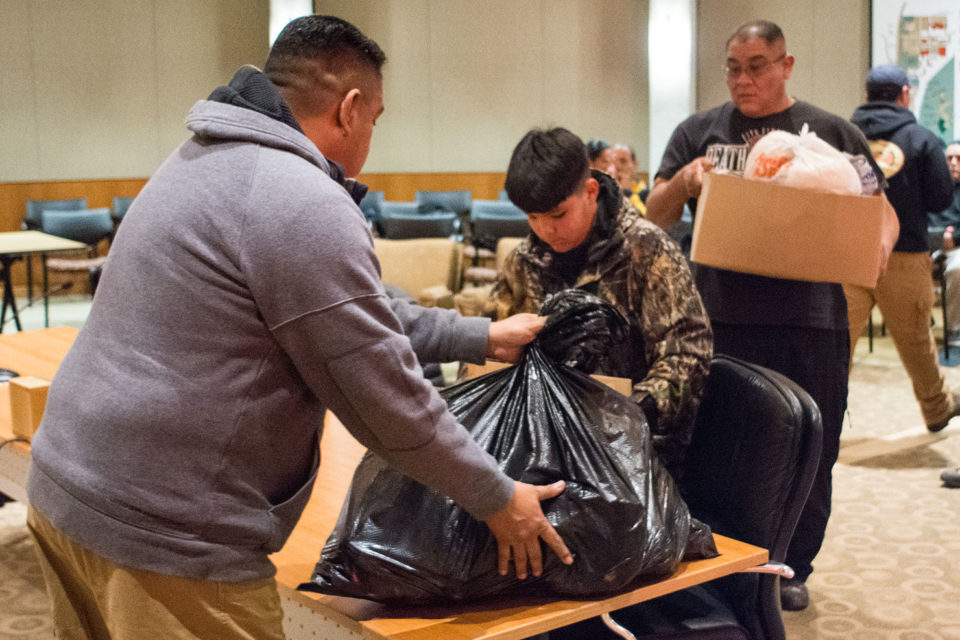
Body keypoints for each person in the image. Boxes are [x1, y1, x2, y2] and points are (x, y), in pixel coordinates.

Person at [25, 15, 572, 639]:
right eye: (377, 119)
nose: (373, 135)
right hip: (167, 536)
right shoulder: (300, 198)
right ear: (350, 108)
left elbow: (343, 313)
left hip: (71, 488)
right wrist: (498, 499)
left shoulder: (204, 157)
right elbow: (383, 400)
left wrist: (479, 336)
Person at [645, 20, 899, 611]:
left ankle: (790, 565)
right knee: (715, 443)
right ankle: (717, 557)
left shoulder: (831, 133)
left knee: (812, 442)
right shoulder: (698, 132)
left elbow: (879, 208)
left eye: (757, 65)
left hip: (810, 322)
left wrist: (880, 244)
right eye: (733, 67)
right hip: (720, 319)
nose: (742, 78)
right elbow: (655, 213)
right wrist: (685, 181)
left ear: (786, 65)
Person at [485, 127, 713, 478]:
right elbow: (492, 350)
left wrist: (622, 421)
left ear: (591, 191)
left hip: (636, 456)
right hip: (541, 448)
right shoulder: (524, 260)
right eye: (532, 218)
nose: (546, 230)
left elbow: (687, 356)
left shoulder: (646, 251)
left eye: (558, 215)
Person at [847, 64, 957, 432]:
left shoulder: (842, 136)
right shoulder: (922, 139)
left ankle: (824, 421)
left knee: (836, 344)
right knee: (917, 341)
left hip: (848, 254)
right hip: (906, 252)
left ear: (866, 95)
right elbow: (942, 198)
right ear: (904, 94)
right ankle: (937, 409)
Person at [930, 141, 960, 342]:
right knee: (904, 268)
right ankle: (923, 322)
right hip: (929, 245)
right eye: (949, 158)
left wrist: (955, 237)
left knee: (957, 269)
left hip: (957, 248)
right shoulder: (931, 188)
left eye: (958, 159)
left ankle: (953, 329)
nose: (953, 163)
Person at [610, 143, 648, 215]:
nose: (618, 166)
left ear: (634, 164)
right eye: (613, 162)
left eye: (623, 161)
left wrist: (626, 192)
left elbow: (644, 218)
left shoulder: (645, 193)